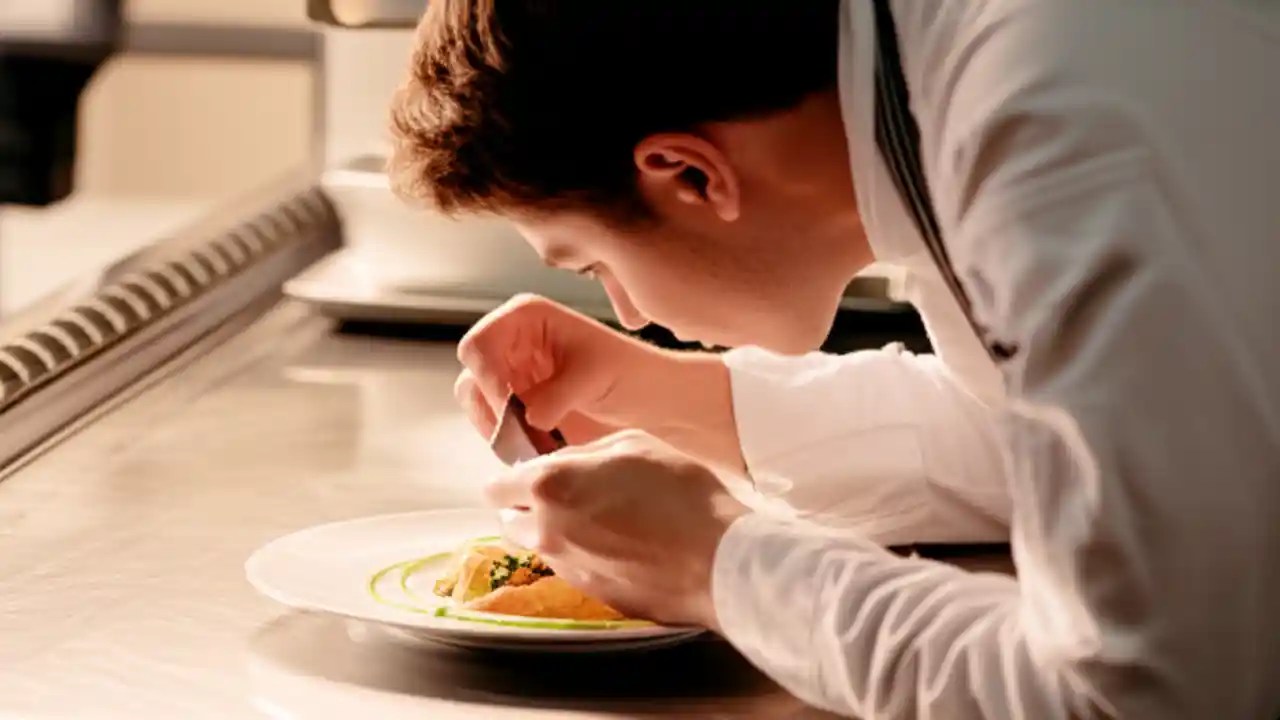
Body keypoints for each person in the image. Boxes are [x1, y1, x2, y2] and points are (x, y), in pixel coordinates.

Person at [387, 1, 1280, 717]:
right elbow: (1072, 434)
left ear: (691, 174)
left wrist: (719, 567)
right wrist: (672, 396)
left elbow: (1145, 689)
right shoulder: (947, 81)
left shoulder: (1053, 135)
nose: (627, 313)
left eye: (593, 266)